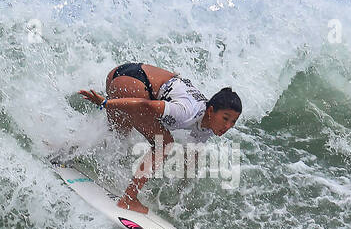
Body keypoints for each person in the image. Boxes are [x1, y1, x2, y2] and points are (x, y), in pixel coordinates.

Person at [79, 62, 242, 213]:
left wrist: (182, 192)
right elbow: (146, 105)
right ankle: (129, 198)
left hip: (122, 74)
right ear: (211, 110)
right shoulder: (186, 112)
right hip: (135, 84)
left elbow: (191, 155)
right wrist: (105, 103)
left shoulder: (208, 125)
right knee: (164, 144)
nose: (227, 126)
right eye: (225, 118)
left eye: (233, 121)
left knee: (121, 133)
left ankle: (73, 149)